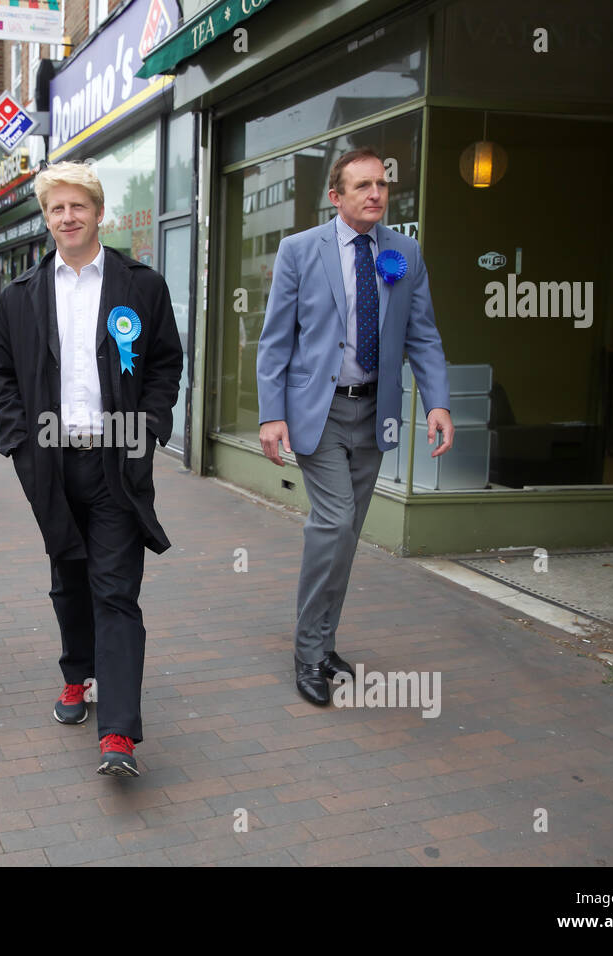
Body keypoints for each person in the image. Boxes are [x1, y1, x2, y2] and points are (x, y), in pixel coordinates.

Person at [0, 161, 183, 777]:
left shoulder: (141, 285)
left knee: (116, 591)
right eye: (55, 209)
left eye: (77, 206)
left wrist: (147, 428)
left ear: (99, 212)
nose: (67, 218)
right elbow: (1, 376)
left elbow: (164, 364)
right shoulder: (18, 295)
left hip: (115, 463)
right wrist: (20, 442)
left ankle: (119, 735)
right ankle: (78, 673)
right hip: (48, 461)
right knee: (68, 578)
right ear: (46, 219)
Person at [256, 147, 454, 706]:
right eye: (363, 185)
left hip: (375, 411)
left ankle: (324, 642)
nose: (376, 194)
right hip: (316, 411)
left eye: (382, 185)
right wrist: (272, 414)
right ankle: (307, 652)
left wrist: (436, 402)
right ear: (335, 195)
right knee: (335, 522)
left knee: (348, 533)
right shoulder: (300, 251)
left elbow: (423, 335)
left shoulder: (403, 253)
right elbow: (275, 341)